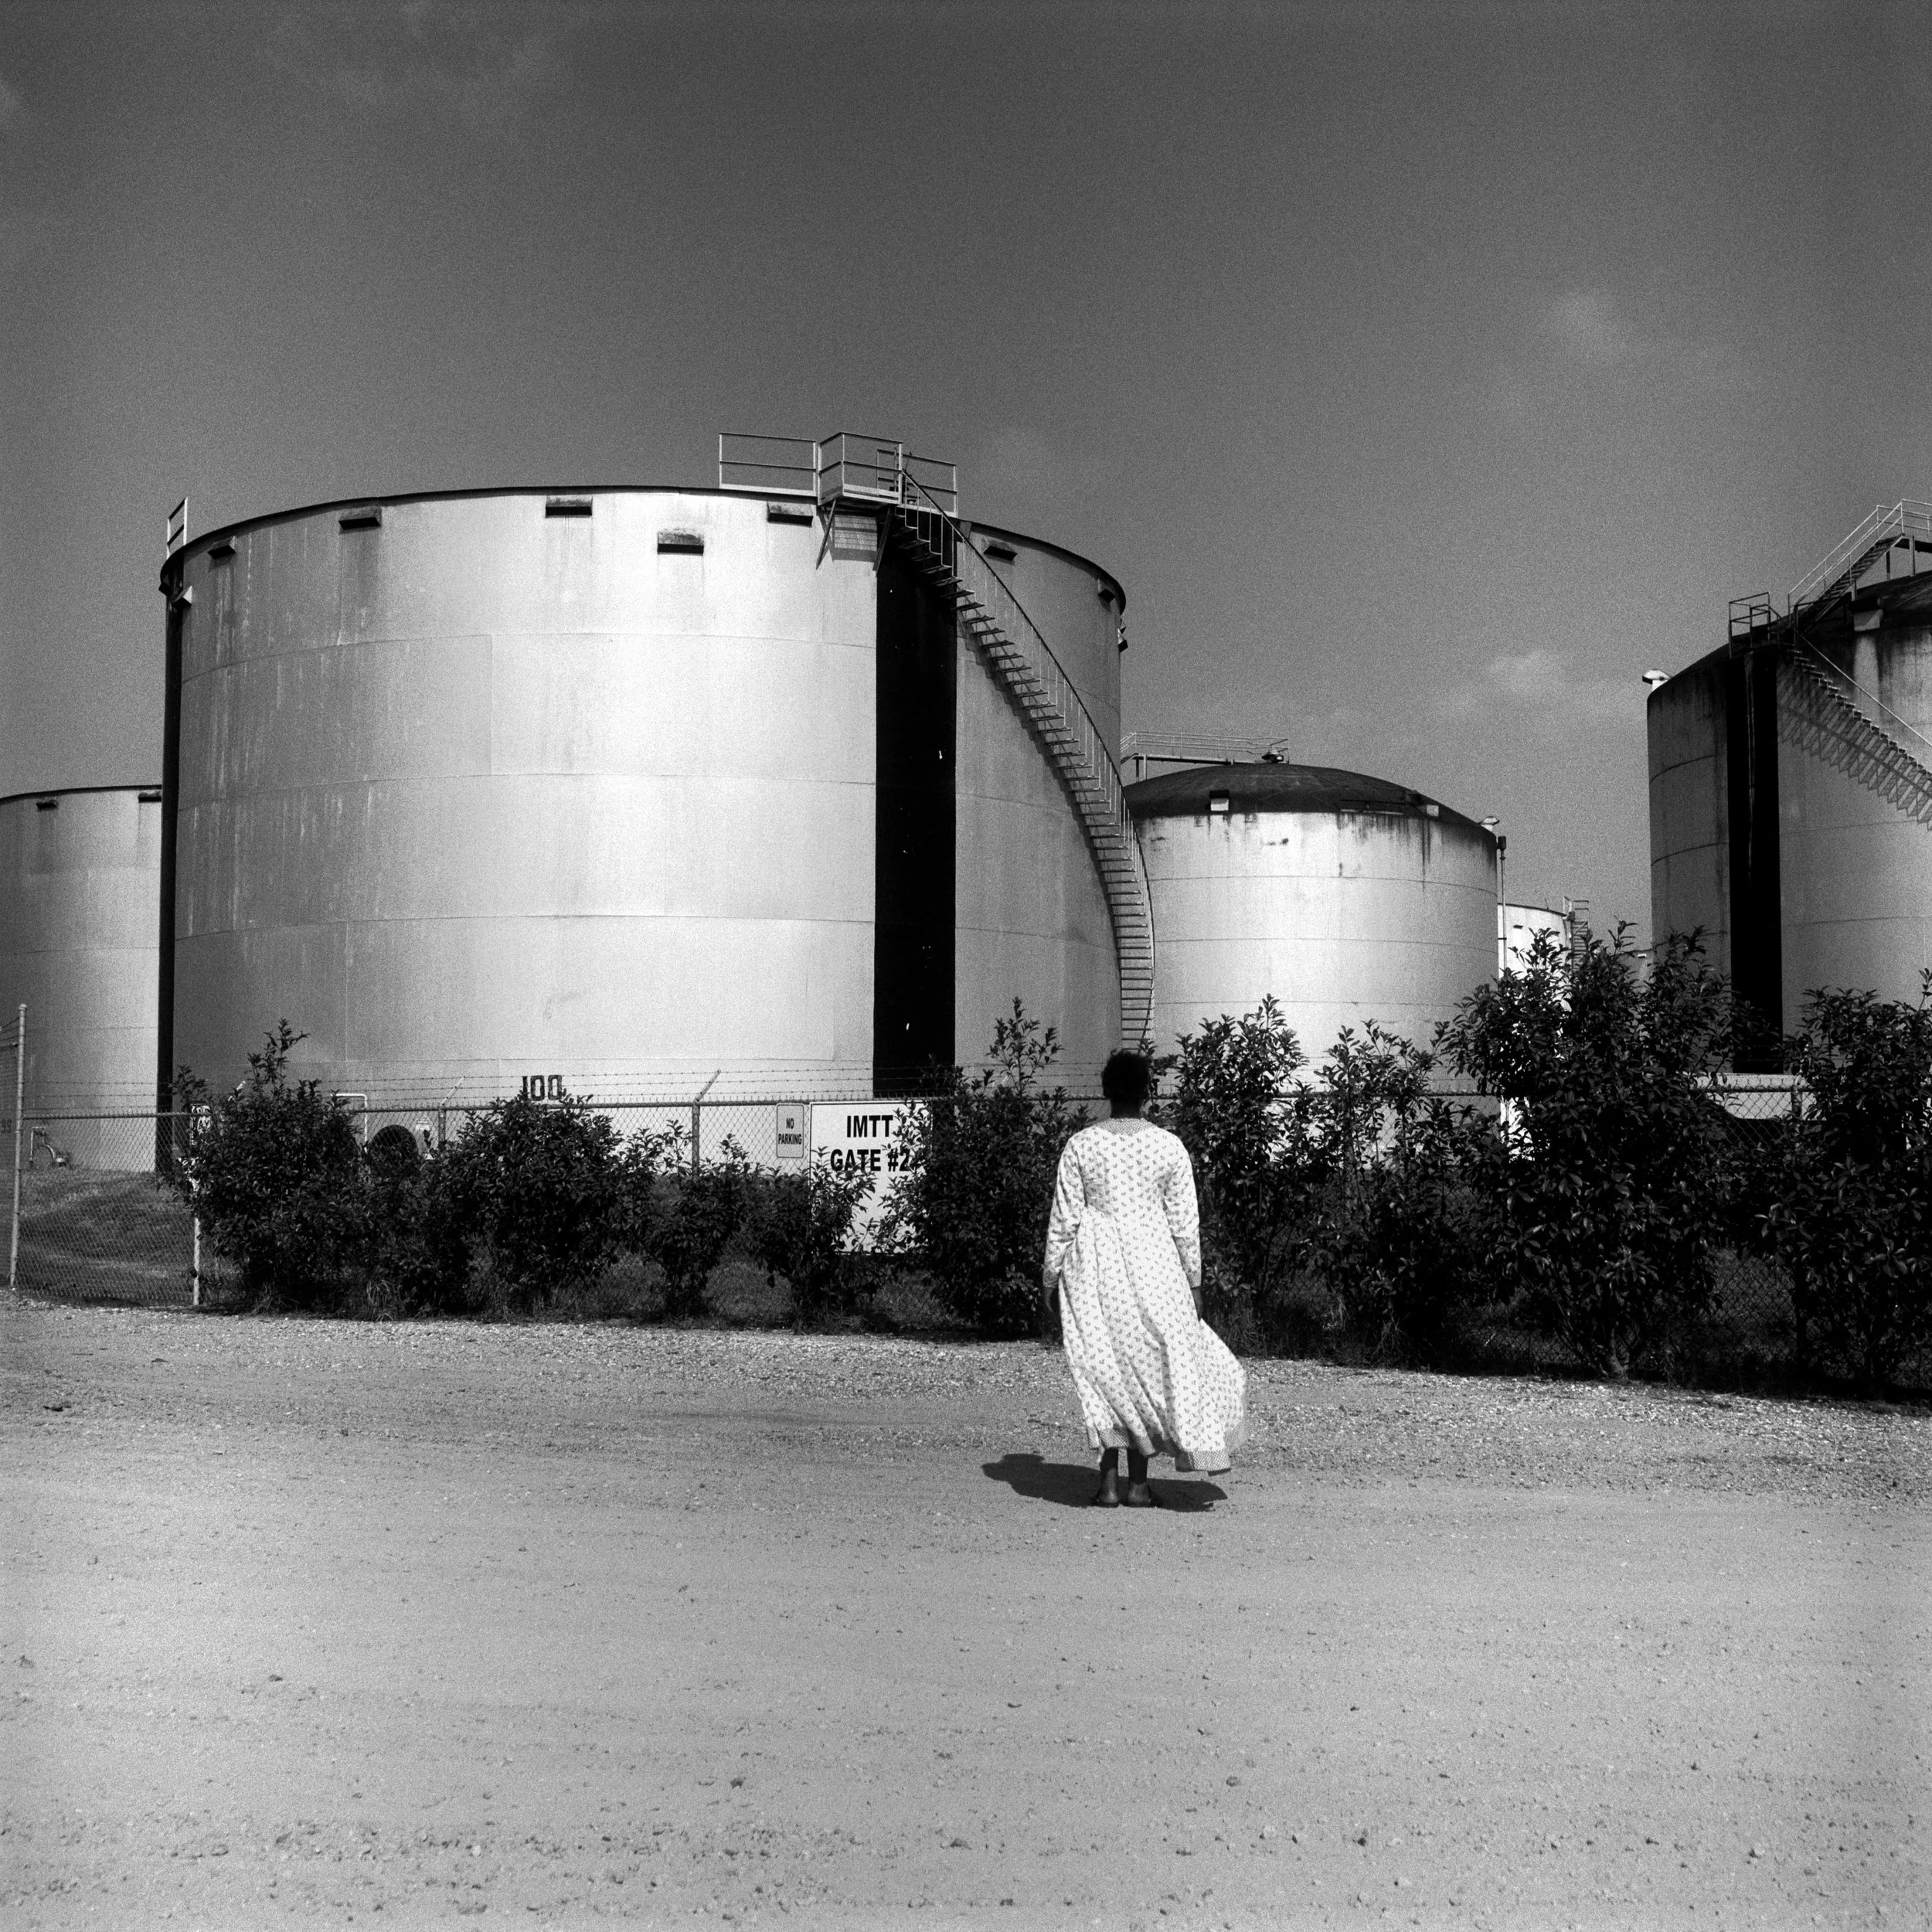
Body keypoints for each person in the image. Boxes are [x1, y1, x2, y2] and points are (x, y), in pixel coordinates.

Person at [1042, 1049, 1248, 1507]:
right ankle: (1138, 1486)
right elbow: (1184, 1224)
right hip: (1155, 1266)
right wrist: (1194, 1283)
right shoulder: (1168, 1147)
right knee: (1147, 1367)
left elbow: (1064, 1219)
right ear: (1147, 1092)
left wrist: (1050, 1276)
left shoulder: (1081, 1145)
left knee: (1103, 1371)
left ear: (1105, 1090)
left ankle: (1107, 1485)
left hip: (1094, 1269)